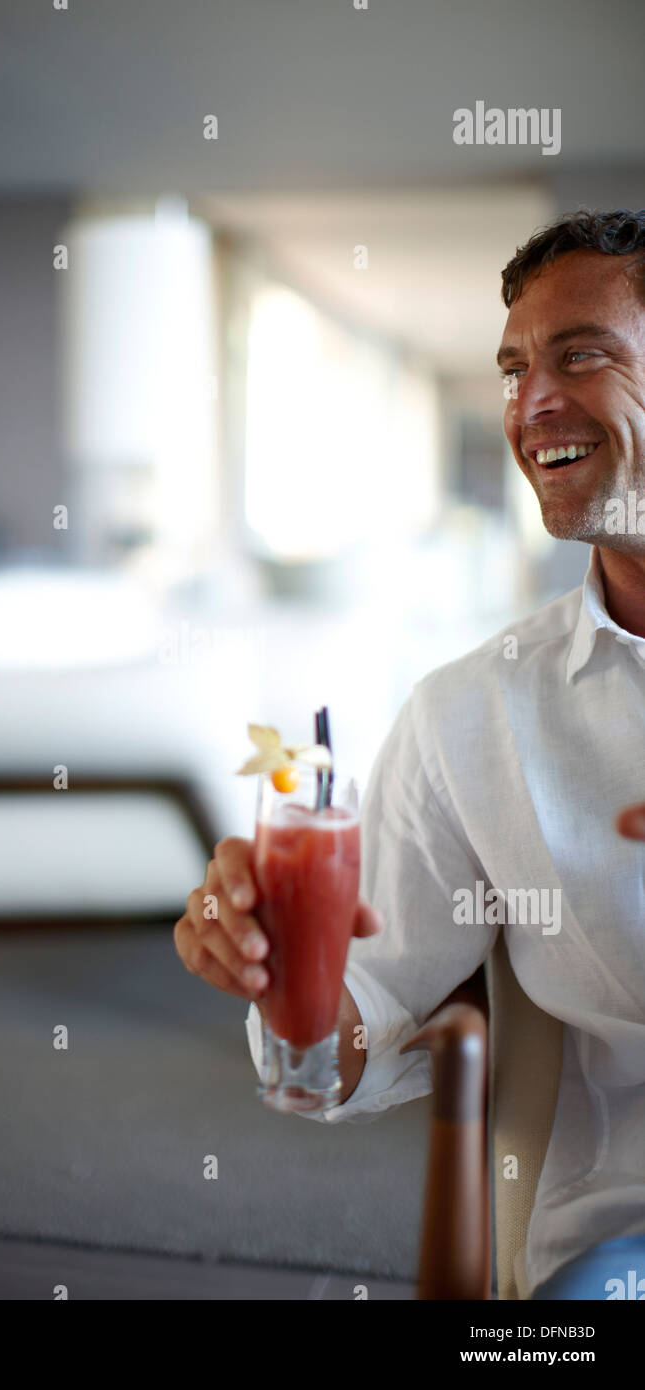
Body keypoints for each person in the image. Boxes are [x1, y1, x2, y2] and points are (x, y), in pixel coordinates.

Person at [174, 209, 645, 1301]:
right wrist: (284, 979)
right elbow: (346, 1028)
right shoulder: (469, 716)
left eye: (579, 355)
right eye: (512, 369)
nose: (529, 406)